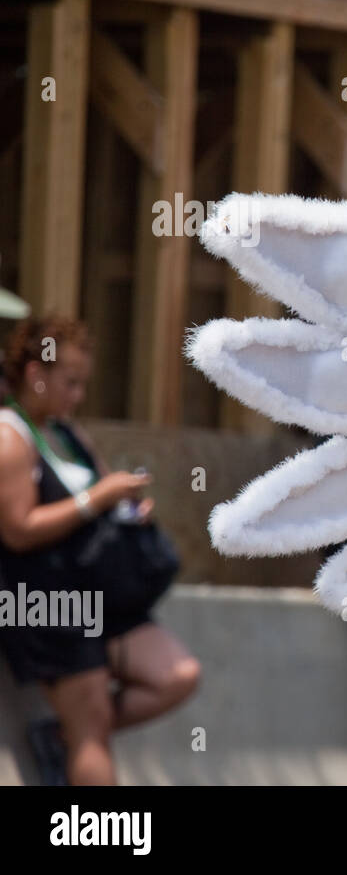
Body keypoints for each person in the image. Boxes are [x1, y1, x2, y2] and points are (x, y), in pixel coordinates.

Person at [0, 315, 200, 785]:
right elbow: (17, 530)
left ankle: (59, 736)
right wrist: (97, 499)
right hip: (47, 605)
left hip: (101, 595)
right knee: (92, 730)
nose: (78, 396)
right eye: (70, 383)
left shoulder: (67, 434)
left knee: (178, 675)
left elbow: (98, 496)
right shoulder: (11, 439)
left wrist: (124, 506)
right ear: (36, 375)